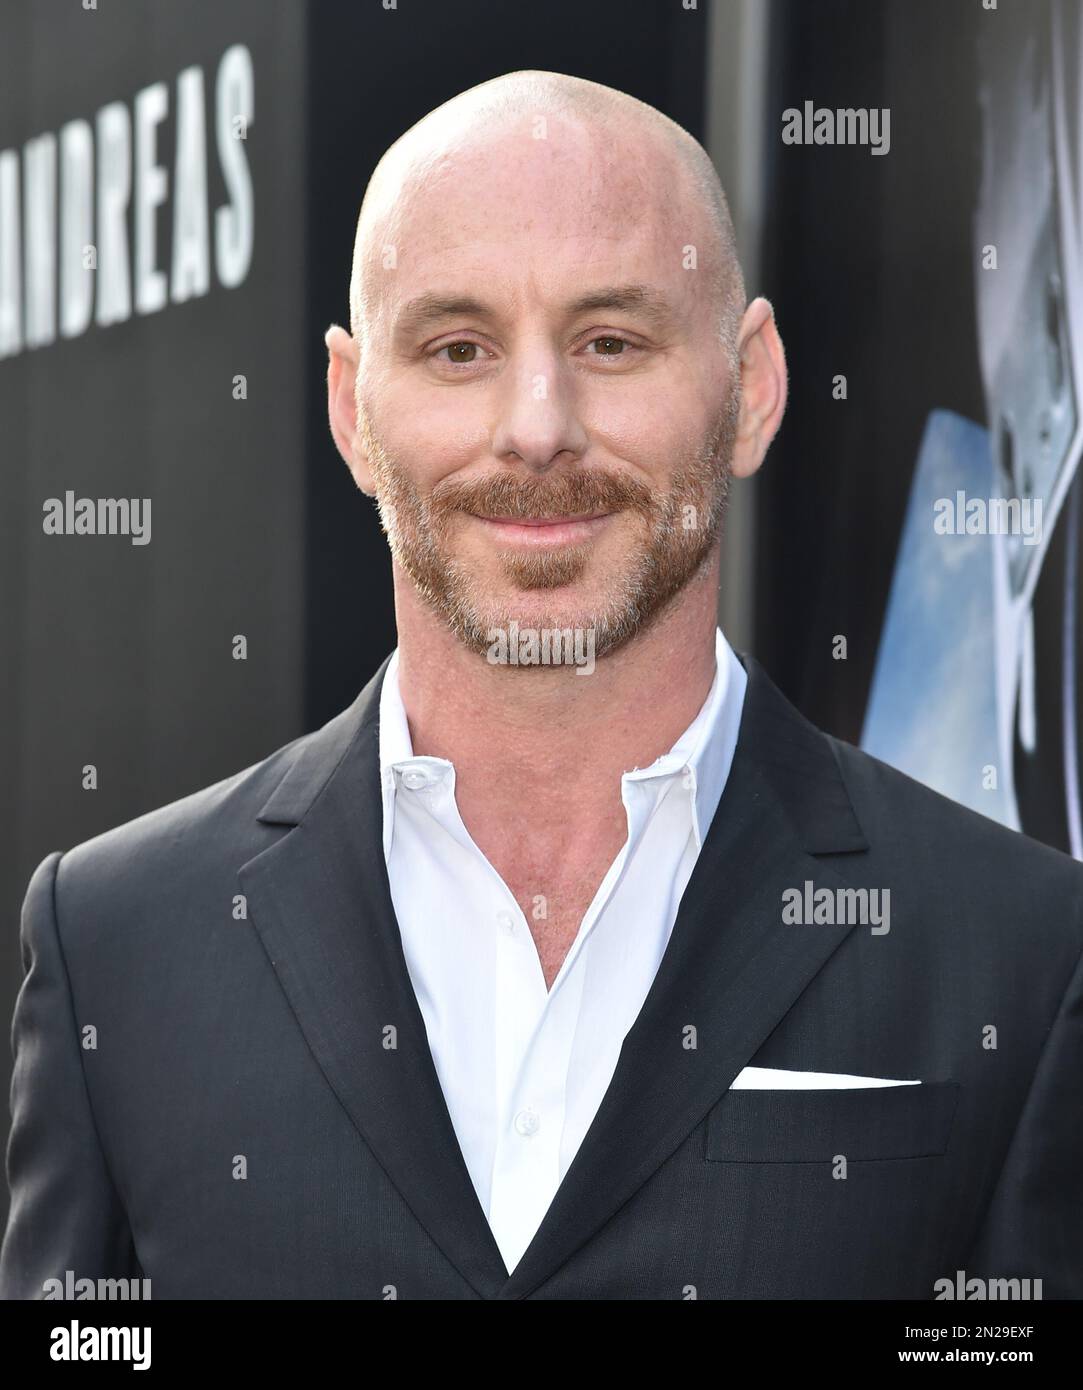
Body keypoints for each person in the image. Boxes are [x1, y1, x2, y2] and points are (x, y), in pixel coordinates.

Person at [2, 70, 1081, 1301]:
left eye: (609, 341)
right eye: (458, 348)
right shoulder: (118, 944)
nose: (537, 426)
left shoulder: (1021, 955)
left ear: (754, 385)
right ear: (355, 410)